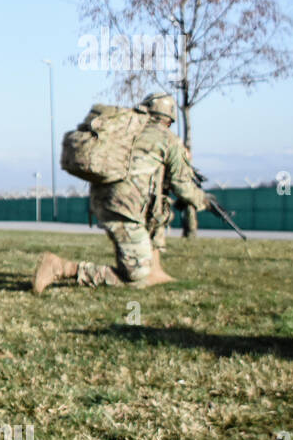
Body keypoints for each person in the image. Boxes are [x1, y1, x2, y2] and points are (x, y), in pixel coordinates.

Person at [33, 92, 207, 293]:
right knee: (137, 277)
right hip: (126, 208)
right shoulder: (167, 139)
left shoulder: (127, 130)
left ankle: (156, 271)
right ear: (168, 119)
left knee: (159, 209)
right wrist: (204, 201)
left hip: (105, 199)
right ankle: (63, 268)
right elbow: (183, 186)